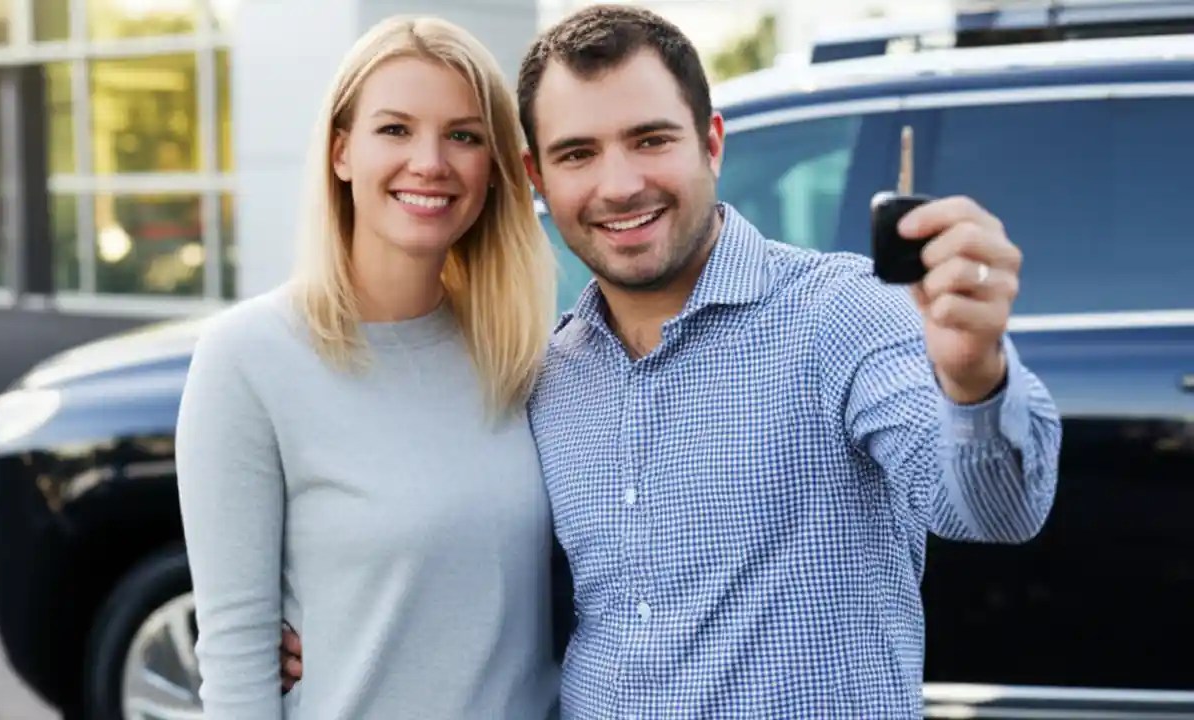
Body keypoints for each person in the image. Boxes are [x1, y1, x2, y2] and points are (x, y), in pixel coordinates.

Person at [282, 4, 1062, 717]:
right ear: (537, 179)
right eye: (578, 153)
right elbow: (480, 569)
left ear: (711, 143)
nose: (619, 185)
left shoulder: (841, 314)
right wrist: (343, 626)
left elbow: (994, 511)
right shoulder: (544, 373)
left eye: (650, 140)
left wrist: (973, 378)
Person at [174, 15, 564, 719]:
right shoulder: (249, 358)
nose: (431, 162)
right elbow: (236, 659)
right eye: (395, 129)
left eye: (464, 135)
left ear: (495, 168)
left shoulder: (520, 352)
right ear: (341, 151)